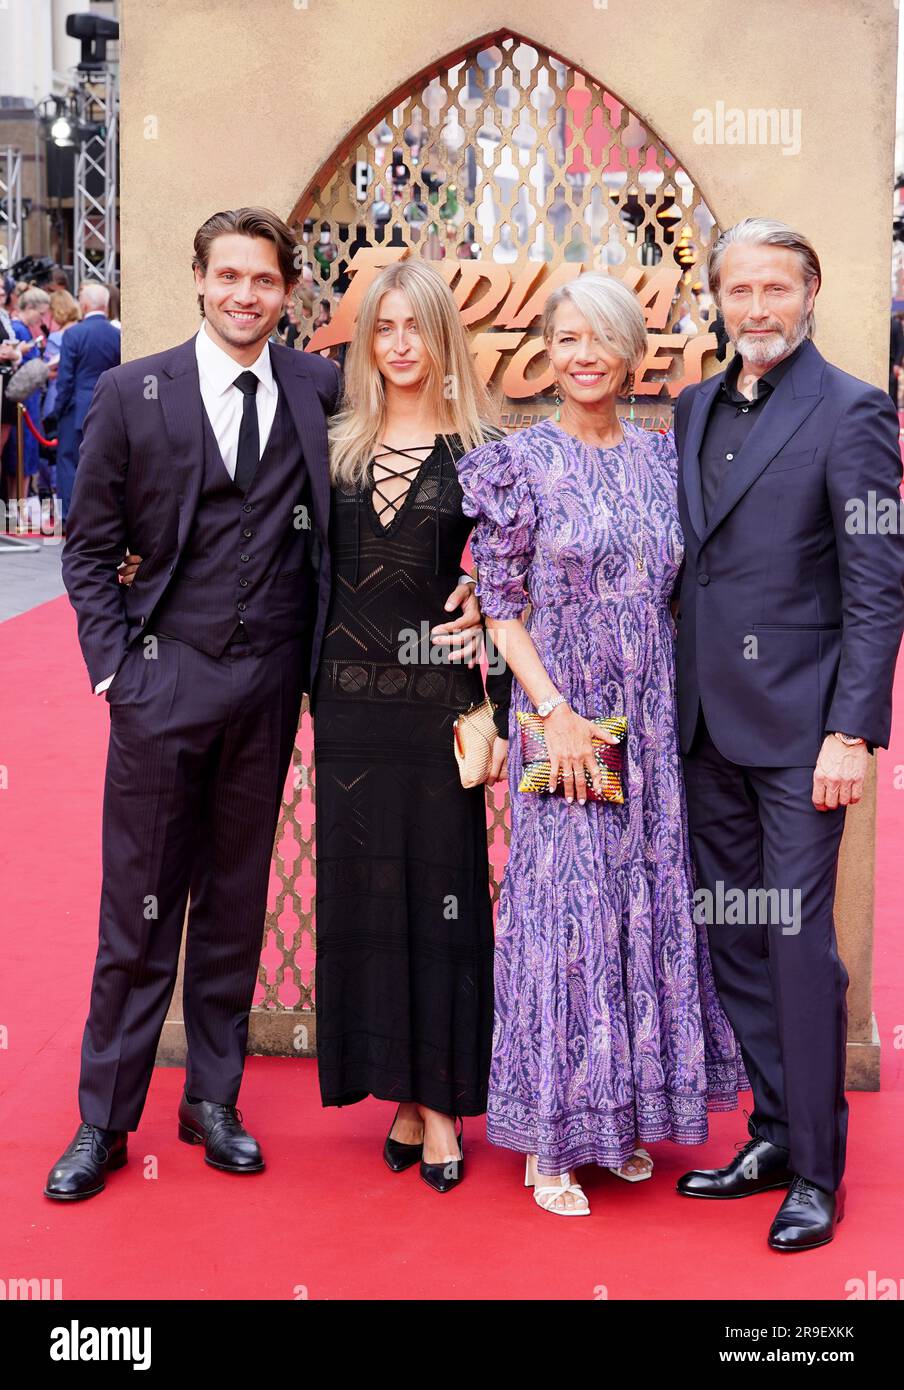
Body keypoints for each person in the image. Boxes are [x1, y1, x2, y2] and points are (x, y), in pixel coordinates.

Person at [46, 207, 341, 1201]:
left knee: (233, 905)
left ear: (288, 291)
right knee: (134, 914)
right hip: (161, 684)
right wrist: (112, 668)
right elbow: (86, 548)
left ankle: (212, 1097)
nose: (246, 294)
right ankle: (104, 1118)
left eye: (265, 278)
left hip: (266, 693)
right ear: (200, 282)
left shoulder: (320, 386)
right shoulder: (137, 392)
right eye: (229, 276)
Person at [456, 272, 744, 1217]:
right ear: (548, 346)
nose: (582, 354)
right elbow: (501, 605)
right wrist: (551, 711)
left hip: (653, 717)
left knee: (643, 906)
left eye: (601, 339)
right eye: (566, 336)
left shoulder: (664, 460)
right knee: (567, 916)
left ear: (629, 355)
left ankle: (617, 1120)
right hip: (564, 713)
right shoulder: (521, 462)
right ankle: (551, 1140)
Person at [673, 218, 904, 1251]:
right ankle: (768, 1129)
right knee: (734, 936)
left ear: (810, 292)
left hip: (802, 735)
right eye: (738, 291)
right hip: (703, 726)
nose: (755, 308)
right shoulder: (690, 407)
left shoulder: (852, 410)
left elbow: (877, 584)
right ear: (716, 298)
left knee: (798, 947)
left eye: (775, 289)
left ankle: (816, 1167)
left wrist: (852, 732)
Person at [313, 259, 510, 1193]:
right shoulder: (334, 441)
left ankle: (440, 1106)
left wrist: (496, 650)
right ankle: (396, 1086)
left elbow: (522, 580)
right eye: (383, 326)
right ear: (367, 340)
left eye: (415, 326)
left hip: (435, 701)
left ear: (442, 338)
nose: (398, 343)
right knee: (367, 897)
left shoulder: (484, 447)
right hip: (346, 702)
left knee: (444, 896)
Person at [54, 281, 121, 526]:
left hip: (76, 409)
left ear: (83, 305)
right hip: (110, 408)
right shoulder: (118, 335)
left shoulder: (74, 334)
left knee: (69, 462)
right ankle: (99, 516)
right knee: (104, 463)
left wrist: (57, 412)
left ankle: (71, 517)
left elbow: (66, 379)